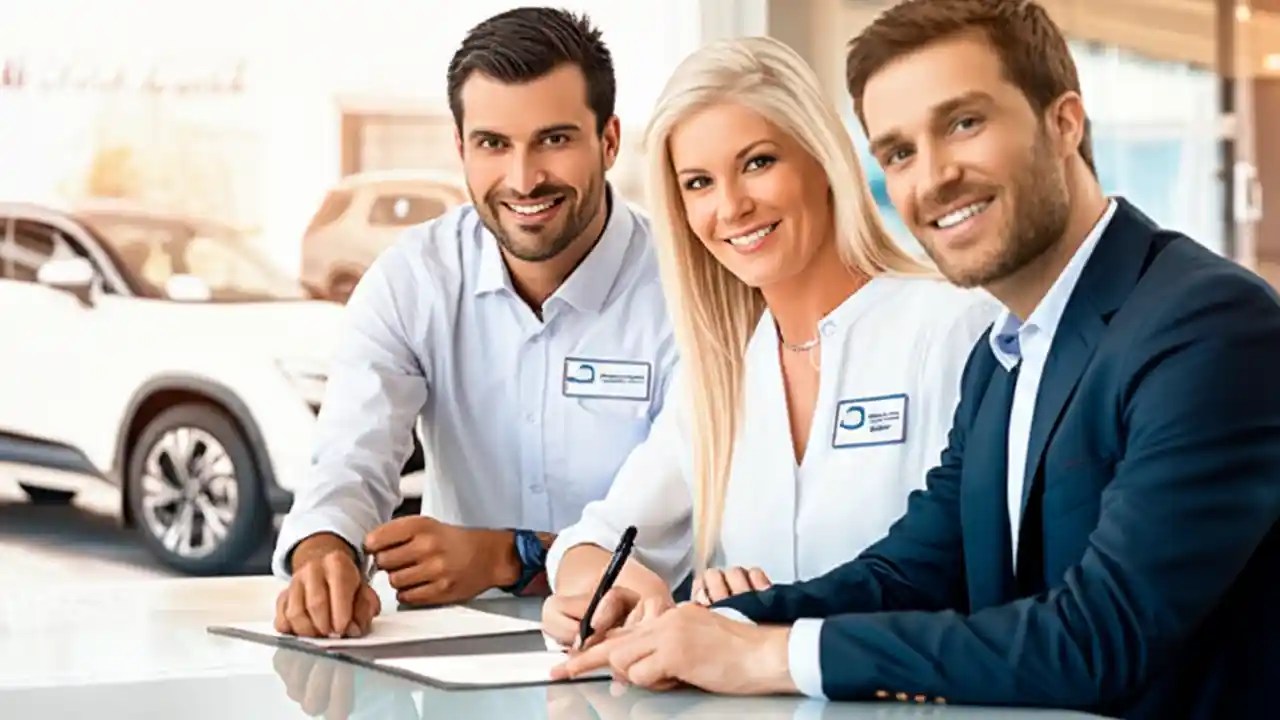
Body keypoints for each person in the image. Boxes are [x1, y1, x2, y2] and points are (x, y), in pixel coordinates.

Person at [554, 2, 1280, 717]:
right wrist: (716, 625)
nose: (932, 178)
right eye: (899, 152)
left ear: (1064, 121)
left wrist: (768, 656)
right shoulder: (1007, 355)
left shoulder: (1208, 325)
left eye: (964, 123)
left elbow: (1097, 638)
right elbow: (915, 572)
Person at [540, 35, 996, 646]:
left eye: (758, 162)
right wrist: (603, 591)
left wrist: (761, 616)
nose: (731, 206)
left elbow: (971, 572)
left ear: (821, 158)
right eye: (698, 183)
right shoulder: (722, 372)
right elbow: (597, 538)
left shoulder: (953, 326)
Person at [271, 7, 677, 640]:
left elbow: (681, 522)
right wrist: (326, 548)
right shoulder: (413, 279)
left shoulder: (686, 292)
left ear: (610, 141)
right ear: (460, 147)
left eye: (554, 139)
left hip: (644, 650)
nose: (523, 178)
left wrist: (506, 556)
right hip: (454, 651)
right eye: (494, 144)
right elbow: (349, 457)